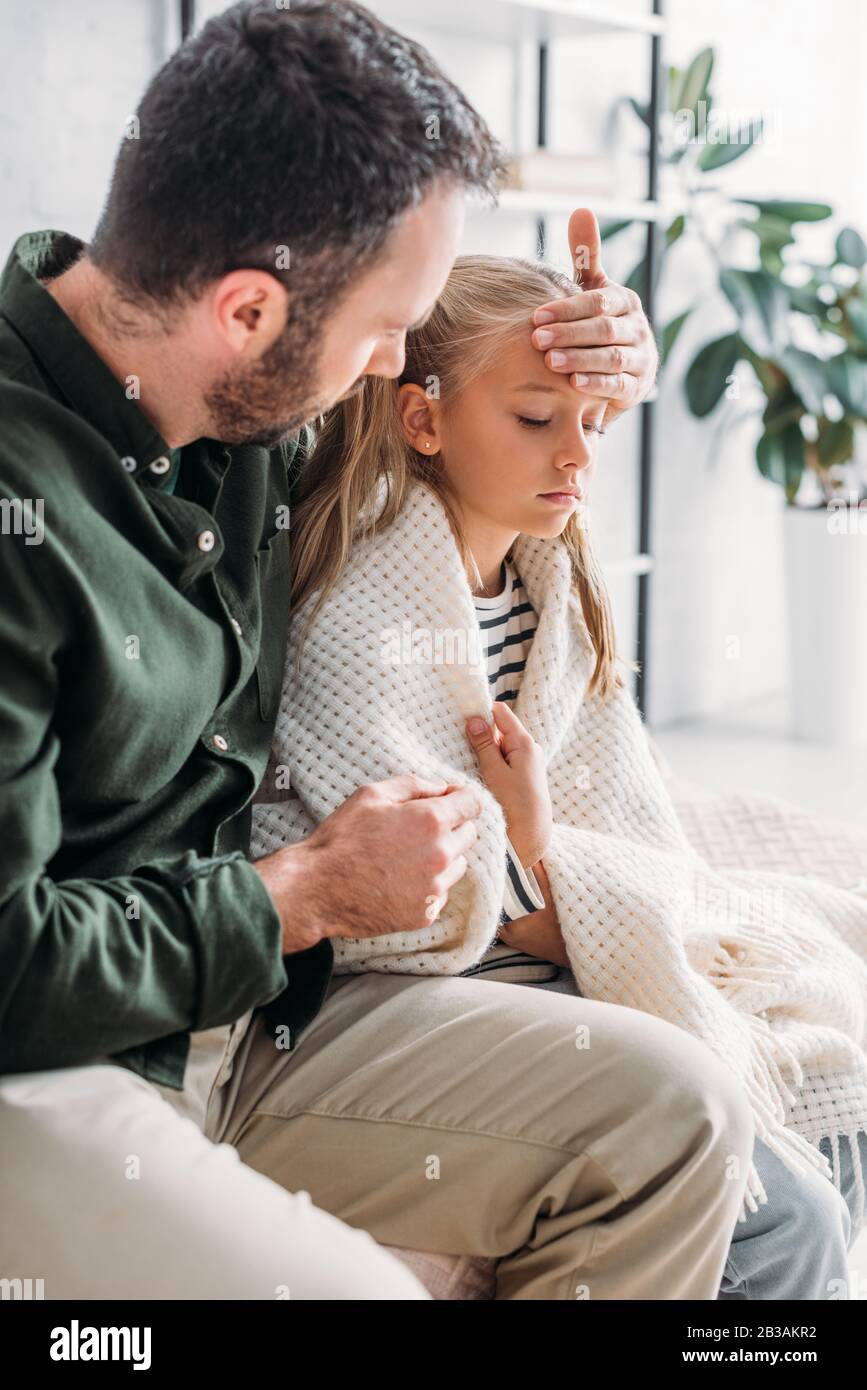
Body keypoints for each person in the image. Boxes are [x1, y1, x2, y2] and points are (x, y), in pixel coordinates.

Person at [0, 0, 745, 1303]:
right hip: (68, 1057)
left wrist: (589, 356)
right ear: (246, 310)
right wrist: (307, 890)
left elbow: (450, 414)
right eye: (385, 328)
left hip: (259, 1023)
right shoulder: (26, 513)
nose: (396, 360)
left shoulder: (229, 398)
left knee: (678, 1111)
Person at [251, 251, 867, 1300]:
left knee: (834, 1086)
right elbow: (429, 911)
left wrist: (540, 846)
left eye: (595, 418)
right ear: (424, 420)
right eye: (538, 419)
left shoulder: (553, 586)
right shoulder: (365, 612)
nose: (577, 452)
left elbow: (624, 823)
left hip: (546, 942)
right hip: (413, 992)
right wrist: (533, 848)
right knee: (787, 1212)